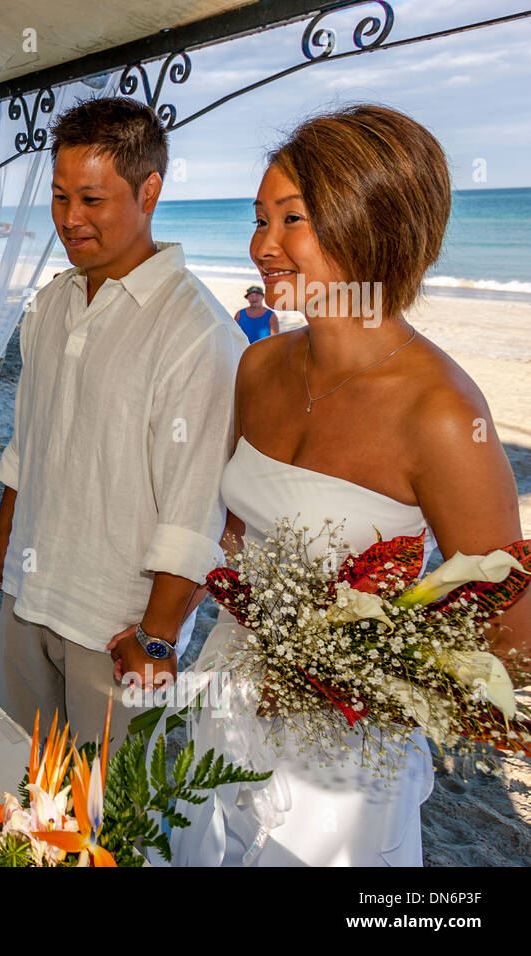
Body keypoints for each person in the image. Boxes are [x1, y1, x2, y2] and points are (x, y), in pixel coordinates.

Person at [172, 106, 527, 867]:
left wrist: (354, 666)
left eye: (290, 219)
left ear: (372, 224)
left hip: (339, 756)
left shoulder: (440, 413)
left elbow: (512, 623)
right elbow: (235, 535)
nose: (261, 246)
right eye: (259, 219)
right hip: (227, 692)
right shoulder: (259, 367)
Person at [0, 97, 247, 752]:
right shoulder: (50, 304)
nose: (70, 221)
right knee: (26, 792)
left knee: (112, 825)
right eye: (60, 197)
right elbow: (30, 439)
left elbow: (197, 512)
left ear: (148, 190)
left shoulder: (199, 334)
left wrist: (156, 637)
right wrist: (3, 540)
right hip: (27, 592)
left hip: (115, 626)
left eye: (92, 200)